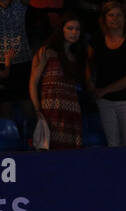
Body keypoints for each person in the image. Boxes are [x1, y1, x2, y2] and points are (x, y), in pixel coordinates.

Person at [29, 13, 89, 149]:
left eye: (77, 29)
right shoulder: (47, 52)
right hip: (51, 108)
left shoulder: (76, 56)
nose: (74, 32)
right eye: (70, 28)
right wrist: (37, 108)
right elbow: (33, 82)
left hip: (71, 108)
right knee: (52, 150)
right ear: (61, 29)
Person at [92, 1, 126, 146]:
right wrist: (92, 87)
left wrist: (105, 90)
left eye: (119, 15)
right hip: (106, 102)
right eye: (111, 15)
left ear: (125, 18)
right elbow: (88, 65)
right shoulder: (97, 39)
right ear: (104, 18)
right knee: (112, 144)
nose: (115, 18)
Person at [0, 0, 32, 116]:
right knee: (5, 100)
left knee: (24, 96)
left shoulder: (20, 4)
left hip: (21, 58)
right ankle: (8, 132)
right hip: (0, 59)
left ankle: (32, 131)